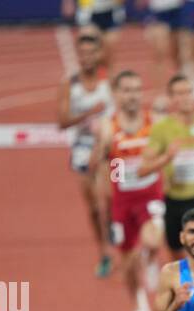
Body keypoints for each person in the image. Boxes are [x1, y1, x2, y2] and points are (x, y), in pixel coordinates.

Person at [92, 69, 173, 311]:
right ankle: (138, 308)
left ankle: (150, 259)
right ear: (116, 94)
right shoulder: (107, 127)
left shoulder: (155, 121)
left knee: (152, 241)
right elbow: (98, 165)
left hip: (150, 197)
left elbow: (171, 149)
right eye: (126, 90)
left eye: (136, 89)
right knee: (126, 261)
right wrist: (102, 154)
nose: (132, 95)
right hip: (122, 201)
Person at [58, 29, 115, 278]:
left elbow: (117, 116)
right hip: (81, 147)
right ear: (78, 56)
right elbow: (62, 122)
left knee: (111, 196)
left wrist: (104, 142)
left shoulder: (109, 81)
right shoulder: (69, 84)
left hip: (109, 147)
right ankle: (103, 253)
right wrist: (89, 112)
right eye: (82, 53)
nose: (87, 57)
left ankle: (114, 224)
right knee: (92, 206)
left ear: (99, 54)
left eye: (92, 52)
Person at [146, 74, 194, 258]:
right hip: (174, 200)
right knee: (178, 257)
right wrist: (167, 157)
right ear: (171, 98)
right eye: (179, 93)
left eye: (189, 92)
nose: (186, 97)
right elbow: (145, 165)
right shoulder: (161, 128)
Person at [64, 0, 126, 71]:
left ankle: (107, 76)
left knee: (109, 48)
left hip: (112, 11)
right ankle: (87, 76)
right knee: (87, 48)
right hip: (88, 10)